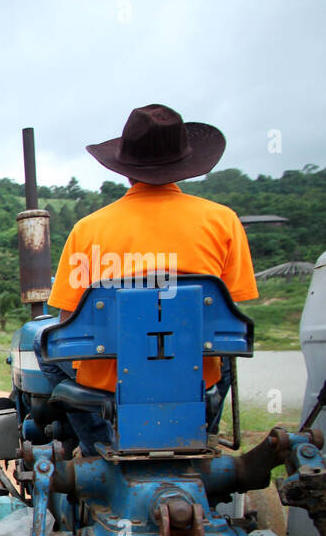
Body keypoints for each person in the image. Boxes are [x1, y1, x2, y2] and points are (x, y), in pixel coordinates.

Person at [42, 104, 259, 453]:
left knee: (43, 348)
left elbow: (68, 324)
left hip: (110, 386)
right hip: (196, 380)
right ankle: (202, 439)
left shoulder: (89, 230)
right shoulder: (223, 221)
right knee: (224, 359)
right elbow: (230, 321)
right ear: (183, 167)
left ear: (125, 170)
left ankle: (97, 445)